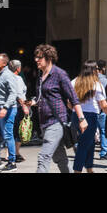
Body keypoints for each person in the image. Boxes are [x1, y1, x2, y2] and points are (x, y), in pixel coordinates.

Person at [32, 44, 88, 174]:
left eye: (39, 57)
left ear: (49, 58)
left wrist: (81, 118)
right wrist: (32, 102)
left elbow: (74, 98)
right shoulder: (41, 76)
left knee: (43, 157)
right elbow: (42, 97)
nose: (36, 60)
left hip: (56, 122)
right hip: (44, 122)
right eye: (36, 57)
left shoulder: (59, 74)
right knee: (60, 158)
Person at [71, 61, 107, 174]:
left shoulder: (74, 81)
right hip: (90, 116)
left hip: (76, 115)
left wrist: (74, 110)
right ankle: (77, 171)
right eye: (97, 69)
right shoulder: (96, 84)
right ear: (94, 70)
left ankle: (89, 169)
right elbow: (103, 105)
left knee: (90, 143)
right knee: (84, 145)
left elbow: (69, 102)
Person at [9, 59, 30, 162]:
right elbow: (20, 95)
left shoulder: (6, 78)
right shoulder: (18, 79)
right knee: (18, 131)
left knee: (11, 130)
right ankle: (15, 153)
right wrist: (25, 107)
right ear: (18, 68)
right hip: (17, 107)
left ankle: (12, 153)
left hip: (8, 107)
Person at [95, 59, 107, 161]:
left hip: (91, 108)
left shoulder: (88, 79)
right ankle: (104, 152)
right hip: (102, 108)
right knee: (103, 131)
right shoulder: (105, 80)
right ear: (103, 68)